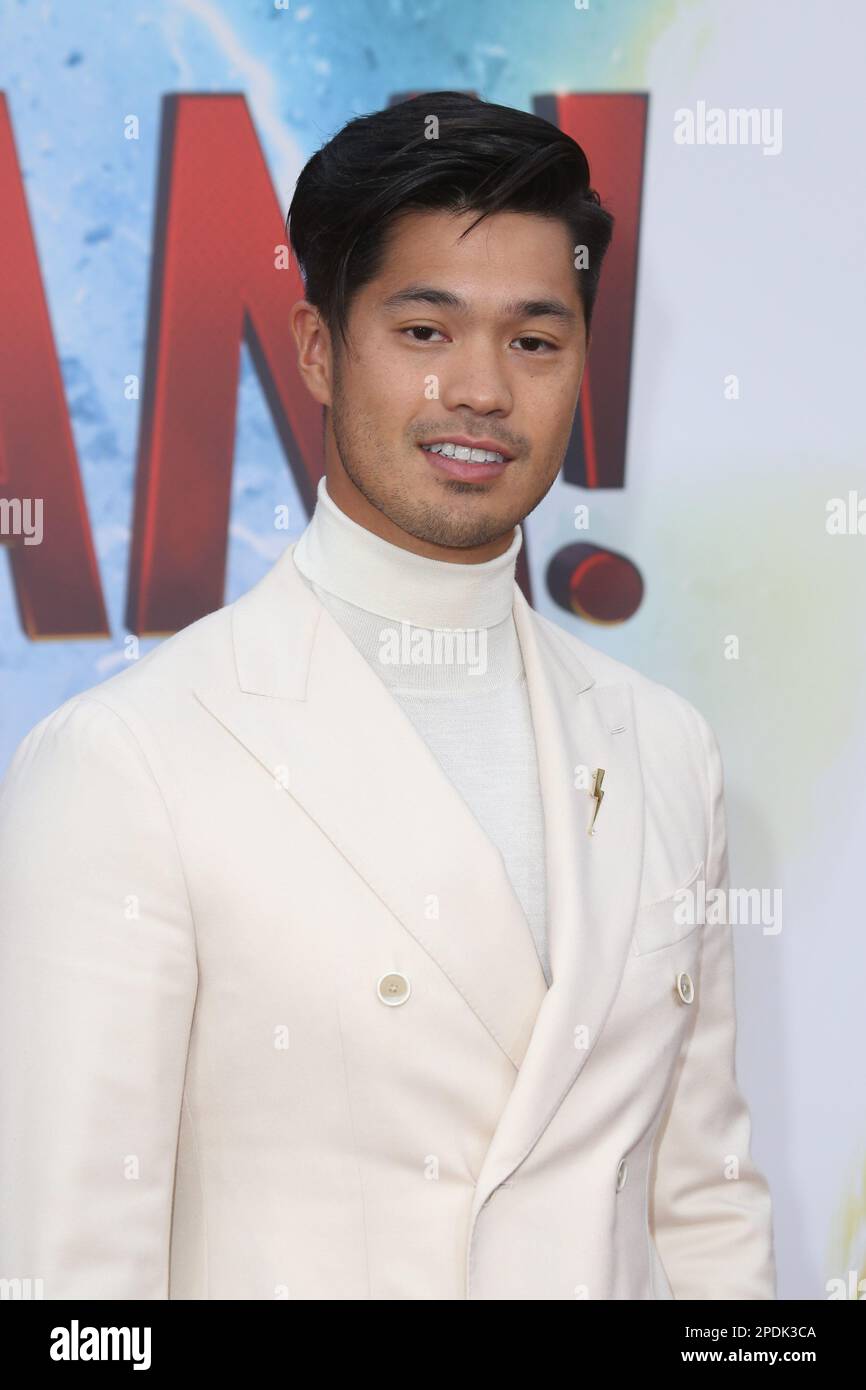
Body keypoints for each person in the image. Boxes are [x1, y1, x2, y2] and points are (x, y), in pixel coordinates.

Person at [0, 91, 776, 1300]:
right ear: (317, 348)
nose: (478, 390)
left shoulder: (666, 749)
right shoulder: (126, 760)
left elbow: (705, 1207)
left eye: (532, 340)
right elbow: (70, 1293)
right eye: (424, 331)